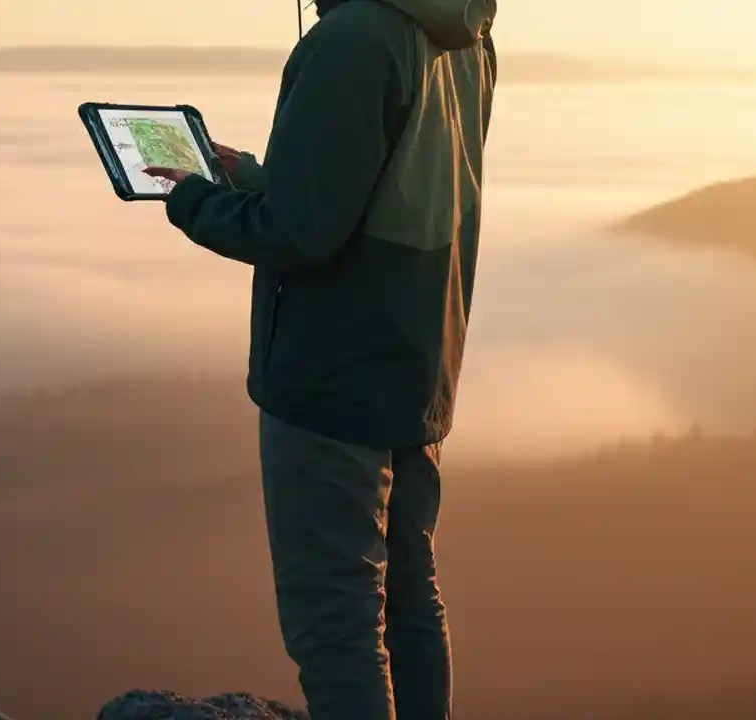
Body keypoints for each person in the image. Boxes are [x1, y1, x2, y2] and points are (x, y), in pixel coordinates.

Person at [145, 0, 497, 717]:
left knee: (336, 621)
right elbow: (384, 193)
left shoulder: (354, 40)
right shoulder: (463, 35)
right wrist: (253, 176)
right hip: (417, 363)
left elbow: (299, 233)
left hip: (331, 374)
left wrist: (195, 202)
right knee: (408, 597)